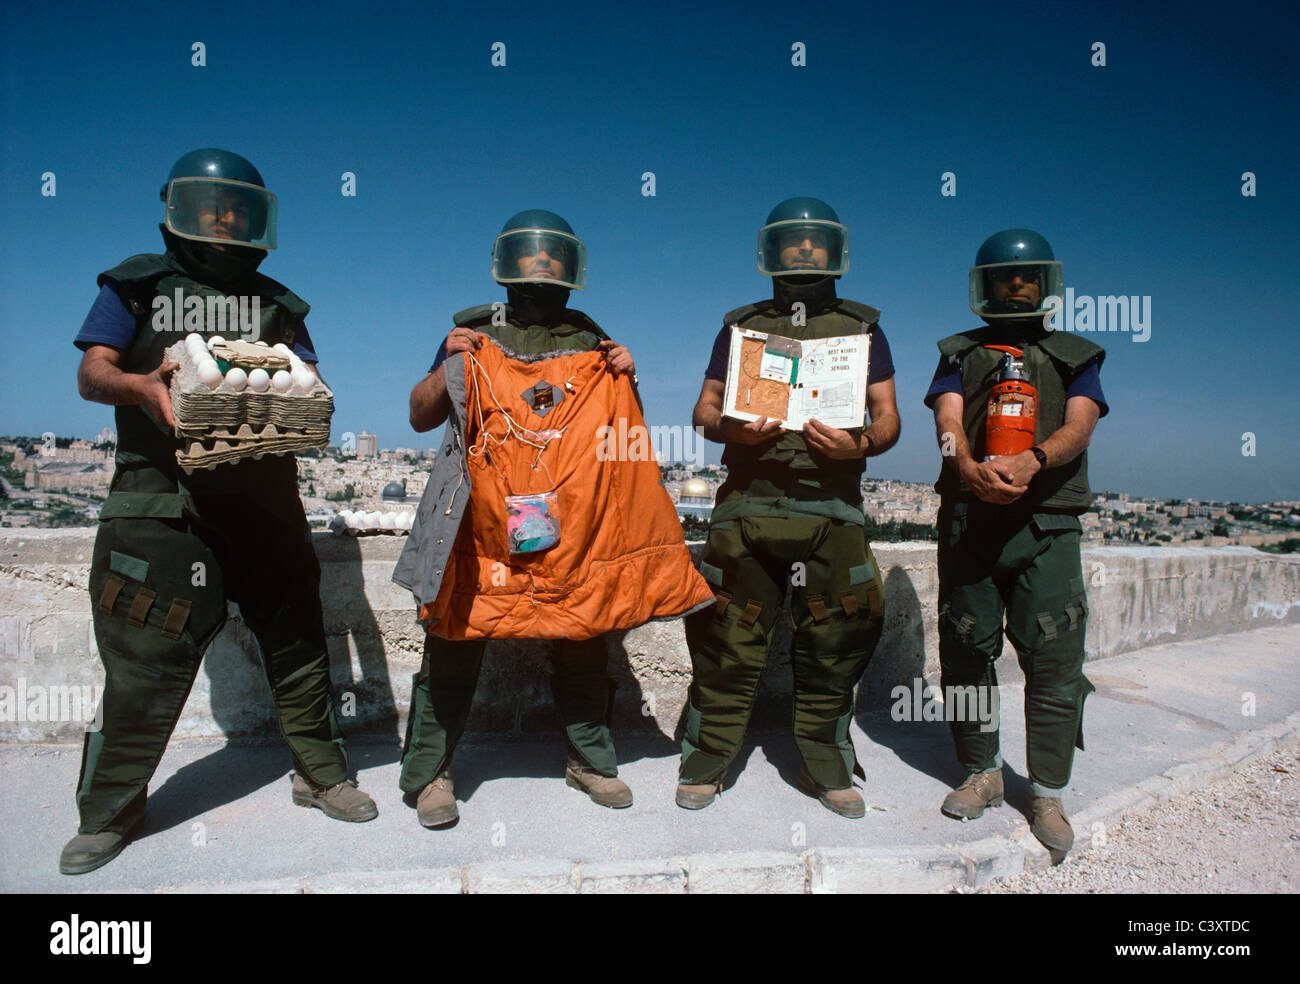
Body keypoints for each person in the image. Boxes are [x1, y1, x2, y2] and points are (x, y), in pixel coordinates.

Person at [61, 148, 376, 876]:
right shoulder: (136, 284)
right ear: (181, 210)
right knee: (142, 663)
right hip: (159, 504)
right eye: (214, 208)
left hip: (264, 501)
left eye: (239, 210)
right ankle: (109, 812)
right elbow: (91, 372)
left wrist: (296, 396)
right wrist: (145, 388)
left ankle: (321, 775)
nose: (226, 221)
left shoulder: (279, 305)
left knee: (297, 644)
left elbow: (310, 379)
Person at [397, 209, 639, 827]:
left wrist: (625, 377)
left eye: (552, 261)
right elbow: (420, 414)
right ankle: (430, 775)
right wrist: (447, 364)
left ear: (569, 269)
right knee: (454, 633)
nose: (541, 271)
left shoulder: (591, 338)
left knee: (582, 633)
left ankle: (589, 761)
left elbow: (619, 432)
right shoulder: (470, 331)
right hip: (477, 510)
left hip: (566, 512)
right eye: (532, 259)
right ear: (509, 267)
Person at [677, 197, 900, 817]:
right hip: (749, 504)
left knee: (836, 640)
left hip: (832, 510)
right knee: (726, 637)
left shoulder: (862, 330)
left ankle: (827, 765)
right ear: (770, 256)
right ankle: (706, 760)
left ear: (836, 255)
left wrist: (858, 442)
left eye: (815, 247)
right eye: (792, 247)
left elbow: (889, 420)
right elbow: (704, 409)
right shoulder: (741, 328)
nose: (803, 257)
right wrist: (734, 431)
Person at [924, 228, 1107, 858]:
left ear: (1047, 284)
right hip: (969, 520)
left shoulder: (1076, 356)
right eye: (1006, 277)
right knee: (967, 647)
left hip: (1048, 523)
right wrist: (967, 465)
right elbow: (946, 419)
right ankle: (982, 773)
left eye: (1027, 277)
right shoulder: (958, 352)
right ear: (986, 286)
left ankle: (1049, 793)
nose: (1018, 286)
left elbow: (1080, 426)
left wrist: (1033, 460)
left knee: (1054, 658)